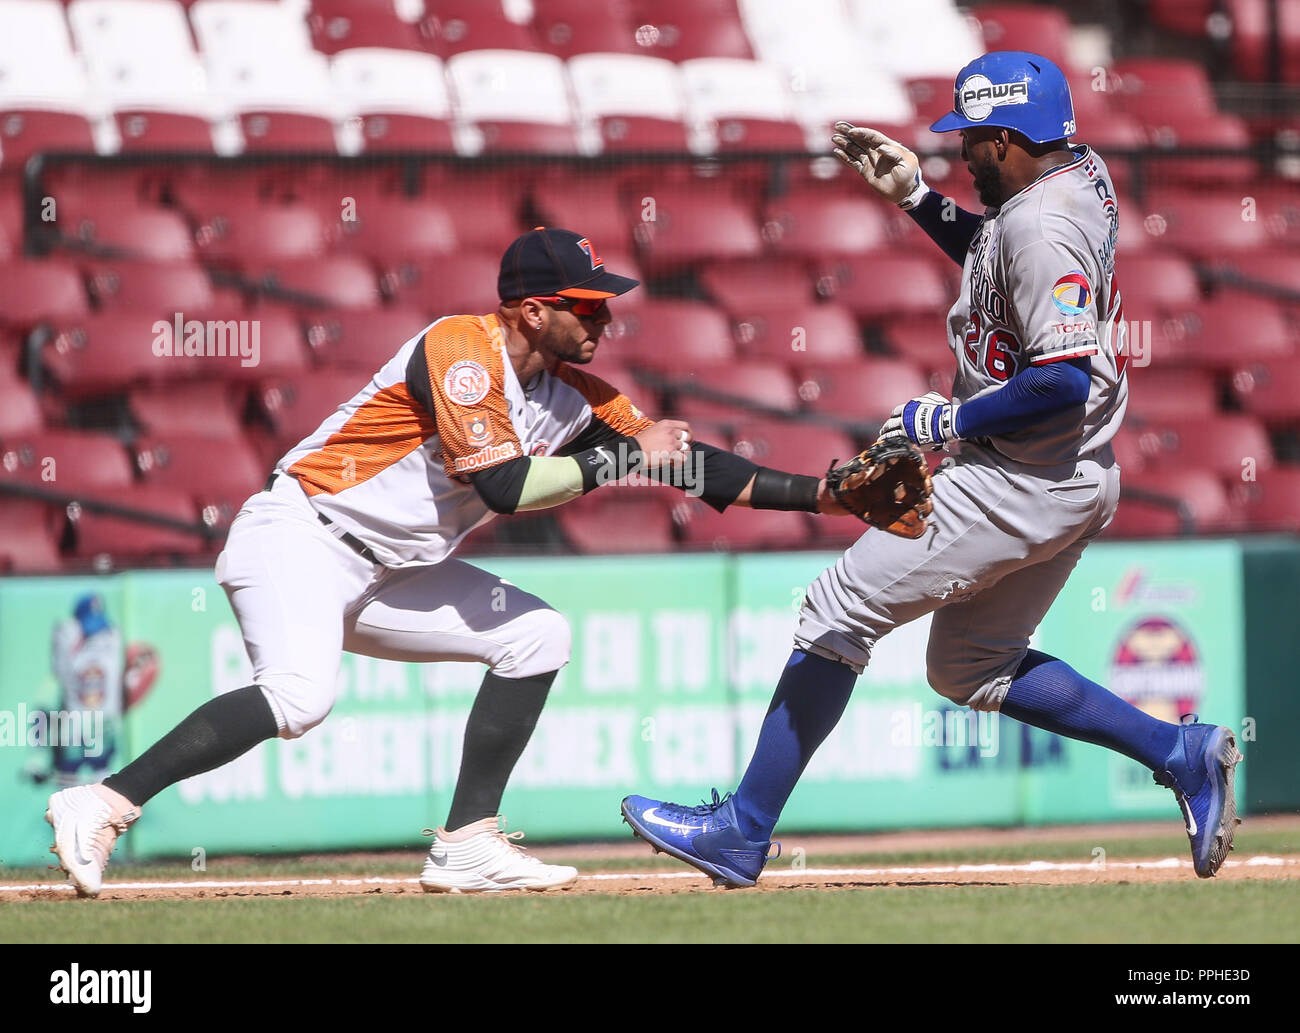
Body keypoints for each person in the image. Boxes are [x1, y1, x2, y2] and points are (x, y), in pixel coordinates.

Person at [45, 226, 848, 897]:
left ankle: (467, 840)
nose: (603, 316)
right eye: (585, 304)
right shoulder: (461, 348)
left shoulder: (576, 395)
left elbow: (690, 464)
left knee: (536, 635)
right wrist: (624, 458)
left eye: (604, 301)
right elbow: (502, 487)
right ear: (533, 310)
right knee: (300, 695)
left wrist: (826, 494)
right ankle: (104, 800)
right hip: (302, 533)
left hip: (388, 568)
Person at [621, 51, 1241, 886]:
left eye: (975, 139)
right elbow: (999, 263)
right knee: (968, 667)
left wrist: (946, 418)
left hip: (1018, 477)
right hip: (1072, 477)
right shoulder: (1078, 175)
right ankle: (1179, 751)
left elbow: (1061, 377)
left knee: (836, 608)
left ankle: (743, 830)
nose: (965, 153)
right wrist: (918, 200)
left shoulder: (1041, 222)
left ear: (1010, 136)